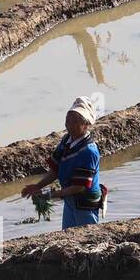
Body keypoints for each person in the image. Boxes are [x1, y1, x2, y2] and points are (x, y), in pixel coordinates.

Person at [22, 96, 106, 230]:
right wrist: (37, 186)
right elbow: (56, 169)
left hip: (85, 204)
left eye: (75, 122)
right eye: (68, 120)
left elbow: (79, 187)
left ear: (86, 125)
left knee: (86, 239)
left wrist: (51, 195)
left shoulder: (88, 151)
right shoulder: (66, 141)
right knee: (67, 236)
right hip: (71, 201)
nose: (69, 125)